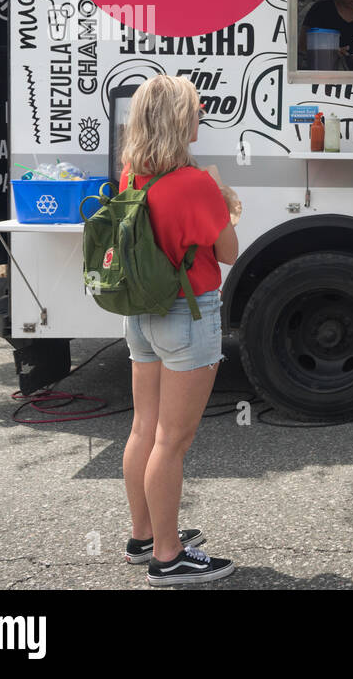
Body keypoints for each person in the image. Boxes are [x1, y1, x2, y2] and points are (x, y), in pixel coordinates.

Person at [118, 74, 242, 585]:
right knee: (173, 440)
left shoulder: (132, 173)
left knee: (144, 429)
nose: (200, 115)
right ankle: (168, 558)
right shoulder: (195, 184)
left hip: (141, 313)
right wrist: (226, 205)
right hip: (187, 316)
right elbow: (229, 253)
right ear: (177, 119)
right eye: (195, 108)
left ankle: (143, 536)